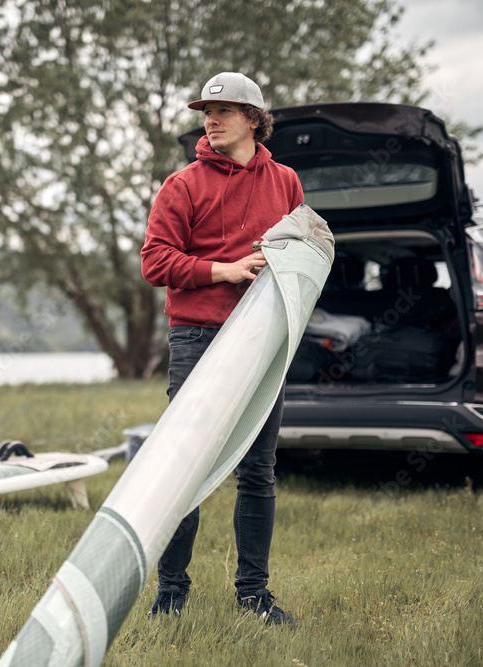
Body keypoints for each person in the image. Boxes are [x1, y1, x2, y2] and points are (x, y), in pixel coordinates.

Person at [140, 72, 304, 625]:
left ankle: (254, 594)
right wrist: (223, 270)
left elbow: (302, 251)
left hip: (263, 340)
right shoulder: (181, 184)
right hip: (198, 338)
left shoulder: (285, 182)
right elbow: (155, 261)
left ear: (255, 120)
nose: (211, 119)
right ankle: (171, 591)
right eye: (207, 111)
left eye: (225, 110)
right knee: (184, 468)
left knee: (258, 471)